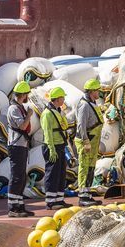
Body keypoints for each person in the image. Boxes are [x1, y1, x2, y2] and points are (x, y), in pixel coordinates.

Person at [5, 81, 34, 217]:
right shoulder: (14, 109)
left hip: (21, 145)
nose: (28, 96)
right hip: (16, 146)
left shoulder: (20, 107)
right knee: (16, 176)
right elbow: (22, 126)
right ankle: (13, 208)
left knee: (21, 177)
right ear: (23, 94)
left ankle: (20, 205)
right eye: (27, 94)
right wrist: (29, 115)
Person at [74, 77, 104, 206]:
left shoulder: (92, 103)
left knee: (91, 167)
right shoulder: (84, 105)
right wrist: (85, 140)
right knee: (84, 167)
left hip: (93, 140)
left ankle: (87, 193)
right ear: (92, 92)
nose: (99, 93)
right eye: (97, 91)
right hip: (87, 140)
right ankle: (82, 196)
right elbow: (81, 125)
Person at [40, 86, 72, 209]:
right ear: (58, 99)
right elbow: (47, 133)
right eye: (62, 98)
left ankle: (59, 199)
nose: (64, 100)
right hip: (51, 146)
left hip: (60, 145)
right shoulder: (47, 114)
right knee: (52, 173)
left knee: (61, 173)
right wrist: (51, 149)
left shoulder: (58, 111)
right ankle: (50, 201)